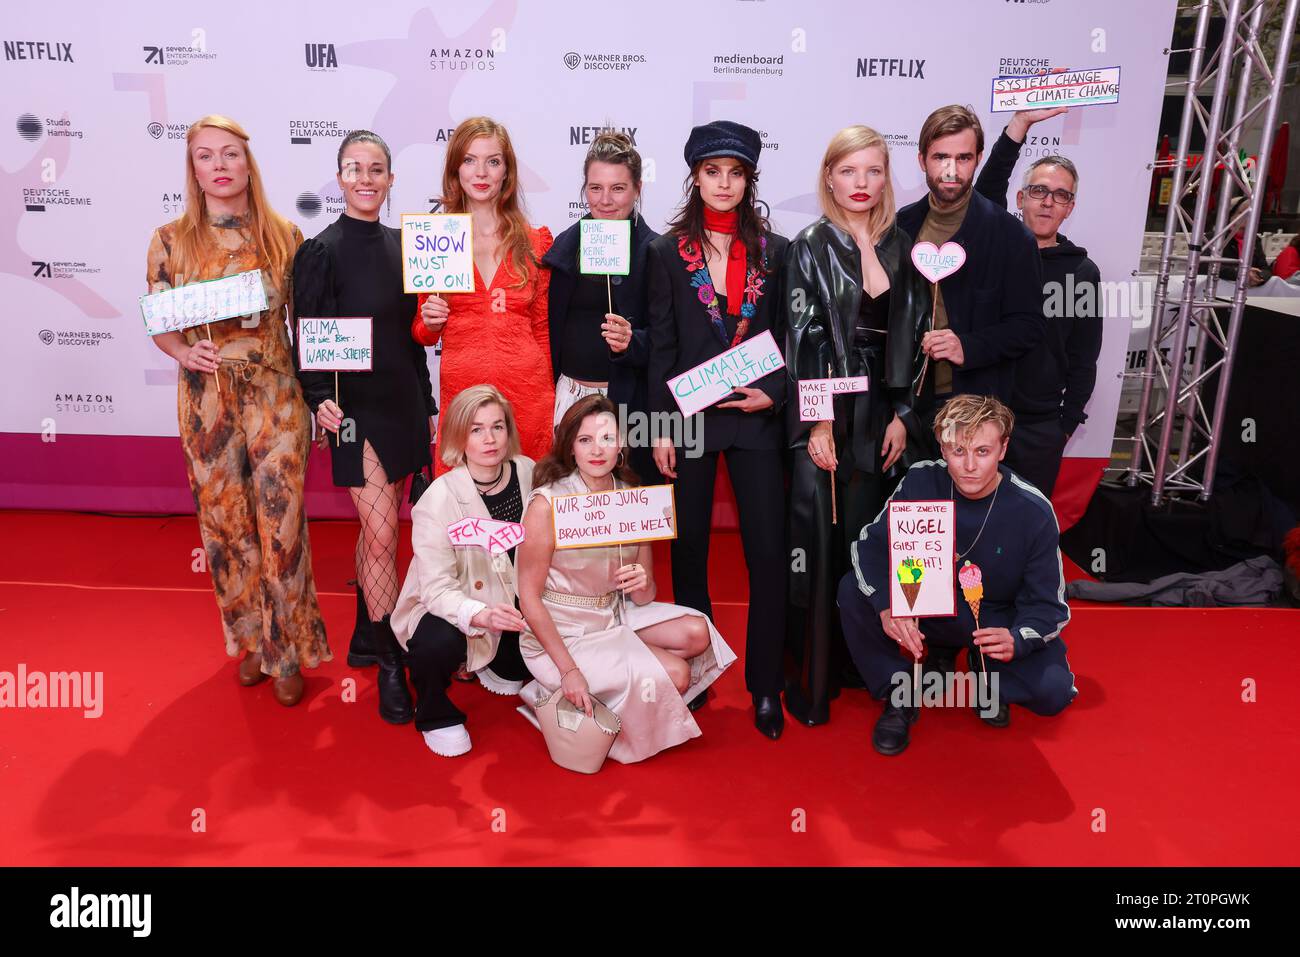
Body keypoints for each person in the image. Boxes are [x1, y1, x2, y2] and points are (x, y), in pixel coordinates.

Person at [145, 114, 328, 706]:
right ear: (193, 170)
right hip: (206, 403)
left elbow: (310, 326)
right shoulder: (169, 240)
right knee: (228, 529)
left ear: (248, 163)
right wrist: (183, 349)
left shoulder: (285, 237)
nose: (219, 165)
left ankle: (289, 650)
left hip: (276, 402)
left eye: (229, 154)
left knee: (282, 527)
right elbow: (160, 324)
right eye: (205, 156)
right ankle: (250, 641)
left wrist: (324, 396)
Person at [646, 120, 790, 739]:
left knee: (768, 555)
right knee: (691, 553)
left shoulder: (777, 252)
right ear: (695, 177)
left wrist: (776, 394)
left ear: (750, 179)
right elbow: (661, 346)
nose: (724, 184)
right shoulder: (665, 251)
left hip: (755, 421)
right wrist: (659, 426)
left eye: (736, 173)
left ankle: (765, 687)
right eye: (713, 172)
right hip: (692, 420)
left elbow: (789, 336)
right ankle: (697, 675)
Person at [784, 125, 931, 725]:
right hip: (824, 410)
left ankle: (866, 667)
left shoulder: (904, 244)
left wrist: (903, 412)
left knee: (868, 542)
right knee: (818, 544)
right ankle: (813, 679)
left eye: (873, 171)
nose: (861, 183)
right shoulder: (810, 244)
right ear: (829, 177)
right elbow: (803, 338)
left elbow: (912, 336)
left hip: (881, 414)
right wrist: (818, 422)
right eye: (849, 171)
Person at [837, 394, 1076, 756]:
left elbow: (1050, 606)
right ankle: (898, 689)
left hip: (994, 619)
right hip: (929, 610)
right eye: (957, 451)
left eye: (982, 451)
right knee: (853, 589)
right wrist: (887, 607)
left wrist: (1018, 639)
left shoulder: (1033, 509)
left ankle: (985, 673)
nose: (968, 466)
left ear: (1003, 448)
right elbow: (868, 548)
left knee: (1053, 691)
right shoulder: (920, 482)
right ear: (942, 448)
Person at [293, 130, 435, 723]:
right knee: (381, 535)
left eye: (378, 168)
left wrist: (428, 402)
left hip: (403, 403)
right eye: (356, 168)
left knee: (382, 529)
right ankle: (391, 663)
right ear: (340, 177)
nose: (367, 178)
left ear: (391, 178)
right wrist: (320, 399)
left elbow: (415, 342)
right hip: (352, 414)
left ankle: (361, 633)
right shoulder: (319, 251)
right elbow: (307, 338)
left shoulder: (408, 246)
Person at [516, 395, 737, 764]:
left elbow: (646, 595)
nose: (597, 450)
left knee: (699, 632)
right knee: (677, 675)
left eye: (606, 438)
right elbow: (528, 598)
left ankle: (613, 684)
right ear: (571, 445)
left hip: (613, 616)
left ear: (621, 443)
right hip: (562, 630)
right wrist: (569, 670)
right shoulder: (547, 504)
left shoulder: (633, 499)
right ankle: (560, 683)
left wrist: (641, 582)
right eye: (585, 439)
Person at [391, 386, 535, 757]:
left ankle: (501, 663)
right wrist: (481, 614)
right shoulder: (438, 498)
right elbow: (437, 589)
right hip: (456, 605)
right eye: (476, 429)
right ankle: (434, 711)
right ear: (458, 435)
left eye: (498, 427)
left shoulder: (529, 472)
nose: (490, 439)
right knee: (434, 644)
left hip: (516, 604)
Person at [896, 105, 1044, 454]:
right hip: (908, 407)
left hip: (976, 407)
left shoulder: (1010, 235)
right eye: (940, 157)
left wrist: (969, 346)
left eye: (963, 158)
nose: (951, 169)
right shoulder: (902, 226)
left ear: (978, 158)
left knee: (968, 507)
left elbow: (1029, 326)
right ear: (922, 161)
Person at [412, 116, 554, 473]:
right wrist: (429, 322)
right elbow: (423, 333)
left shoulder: (535, 241)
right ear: (455, 170)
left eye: (493, 161)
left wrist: (553, 402)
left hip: (528, 394)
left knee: (527, 503)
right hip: (464, 394)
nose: (481, 172)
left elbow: (543, 328)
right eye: (470, 160)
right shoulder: (436, 239)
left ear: (506, 171)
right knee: (463, 511)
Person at [974, 110, 1102, 497]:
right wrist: (1020, 127)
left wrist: (1064, 425)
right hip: (978, 418)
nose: (1048, 202)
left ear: (1070, 207)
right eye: (1039, 191)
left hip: (1040, 429)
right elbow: (982, 195)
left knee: (1022, 535)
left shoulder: (1082, 272)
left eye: (1060, 195)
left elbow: (1084, 357)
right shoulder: (994, 249)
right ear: (1020, 197)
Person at [542, 130, 660, 483]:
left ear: (638, 189)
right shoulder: (565, 247)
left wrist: (633, 341)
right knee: (567, 510)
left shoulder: (658, 253)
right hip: (570, 398)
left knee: (630, 507)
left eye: (618, 188)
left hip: (630, 405)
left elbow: (672, 341)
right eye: (596, 188)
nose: (605, 200)